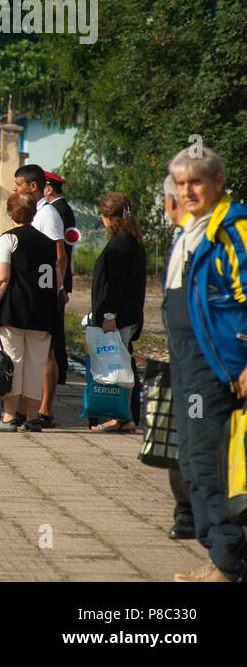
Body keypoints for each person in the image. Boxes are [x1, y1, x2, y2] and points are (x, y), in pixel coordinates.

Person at [165, 145, 247, 582]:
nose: (187, 190)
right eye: (181, 183)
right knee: (192, 461)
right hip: (186, 362)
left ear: (218, 183)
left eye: (196, 181)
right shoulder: (191, 231)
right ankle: (218, 554)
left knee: (210, 460)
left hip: (218, 367)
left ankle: (229, 563)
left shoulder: (232, 231)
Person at [0, 192, 58, 432]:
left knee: (12, 361)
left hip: (14, 311)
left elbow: (1, 277)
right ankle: (31, 417)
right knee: (36, 364)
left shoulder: (8, 239)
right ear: (33, 213)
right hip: (43, 313)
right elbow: (56, 281)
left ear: (10, 212)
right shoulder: (48, 243)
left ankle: (8, 416)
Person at [11, 164, 67, 428]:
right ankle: (27, 407)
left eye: (18, 184)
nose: (15, 188)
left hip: (46, 292)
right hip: (34, 292)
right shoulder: (35, 214)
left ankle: (44, 409)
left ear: (32, 186)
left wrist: (58, 289)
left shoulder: (48, 215)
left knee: (47, 351)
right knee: (33, 350)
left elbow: (59, 255)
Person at [157, 173, 196, 540]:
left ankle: (198, 522)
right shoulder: (185, 239)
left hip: (203, 366)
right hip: (190, 362)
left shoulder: (204, 242)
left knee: (193, 444)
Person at [88, 192, 146, 432]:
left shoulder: (121, 243)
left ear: (110, 217)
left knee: (117, 365)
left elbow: (116, 283)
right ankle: (128, 416)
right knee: (124, 362)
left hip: (119, 316)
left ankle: (120, 415)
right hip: (129, 313)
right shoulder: (132, 240)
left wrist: (109, 316)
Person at [43, 171, 75, 421]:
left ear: (47, 188)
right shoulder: (62, 209)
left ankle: (60, 372)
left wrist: (61, 285)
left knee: (54, 336)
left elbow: (61, 253)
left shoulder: (58, 212)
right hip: (57, 280)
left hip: (56, 280)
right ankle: (61, 370)